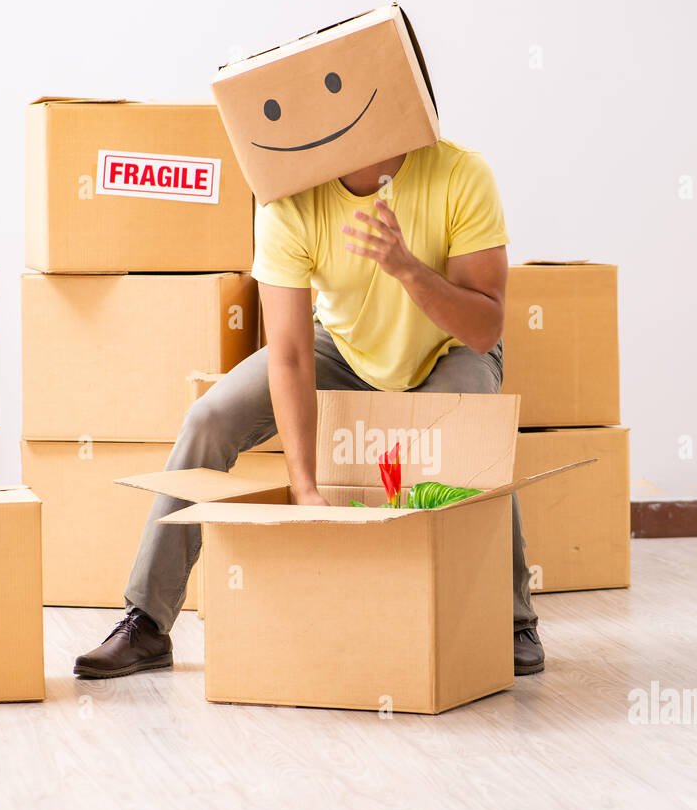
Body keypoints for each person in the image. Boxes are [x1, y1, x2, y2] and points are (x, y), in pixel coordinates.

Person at [74, 139, 545, 680]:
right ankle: (148, 623)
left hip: (449, 346)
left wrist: (409, 270)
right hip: (340, 347)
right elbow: (292, 355)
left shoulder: (461, 173)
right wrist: (305, 487)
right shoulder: (289, 199)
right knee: (208, 420)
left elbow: (485, 327)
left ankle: (512, 620)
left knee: (469, 418)